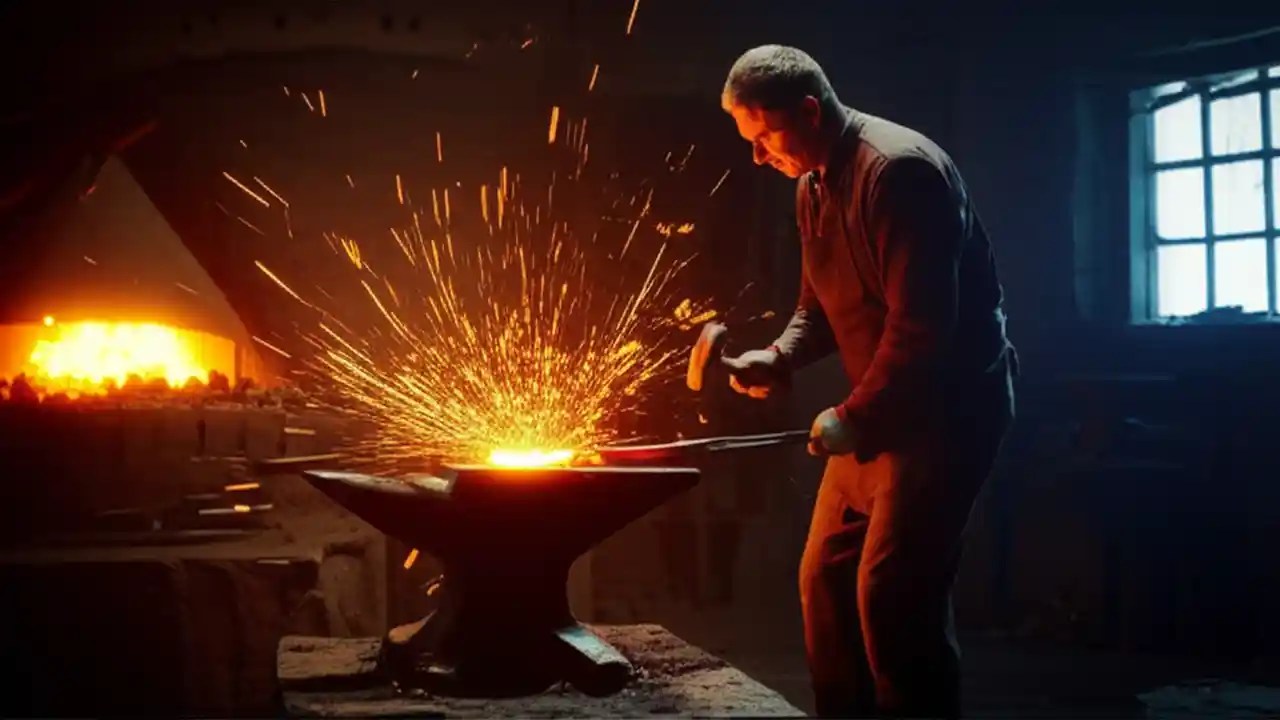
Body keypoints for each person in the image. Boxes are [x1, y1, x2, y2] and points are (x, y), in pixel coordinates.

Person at [710, 45, 1017, 718]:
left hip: (944, 415)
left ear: (810, 111)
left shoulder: (900, 175)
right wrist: (780, 355)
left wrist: (853, 416)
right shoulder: (812, 182)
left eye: (764, 137)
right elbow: (820, 305)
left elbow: (921, 329)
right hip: (881, 412)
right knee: (823, 581)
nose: (757, 157)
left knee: (893, 594)